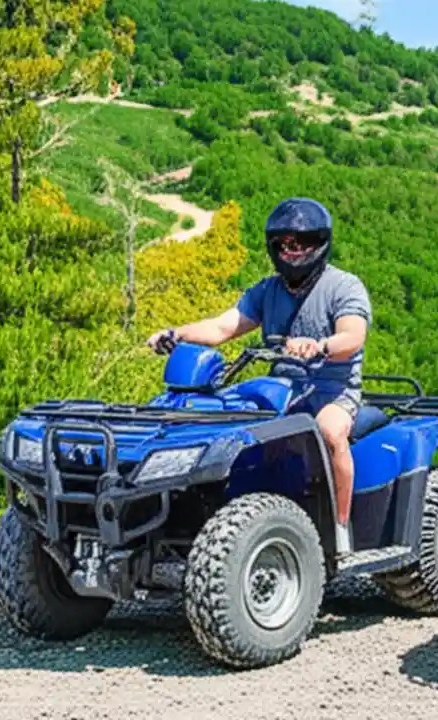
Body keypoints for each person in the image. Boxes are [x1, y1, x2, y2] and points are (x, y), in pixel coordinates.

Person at [145, 197, 371, 557]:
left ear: (318, 243)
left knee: (329, 433)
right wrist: (176, 333)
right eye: (284, 243)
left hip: (332, 390)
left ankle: (341, 528)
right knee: (225, 419)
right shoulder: (267, 291)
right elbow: (222, 327)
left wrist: (321, 346)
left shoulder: (343, 286)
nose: (291, 250)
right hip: (282, 389)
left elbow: (353, 336)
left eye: (300, 243)